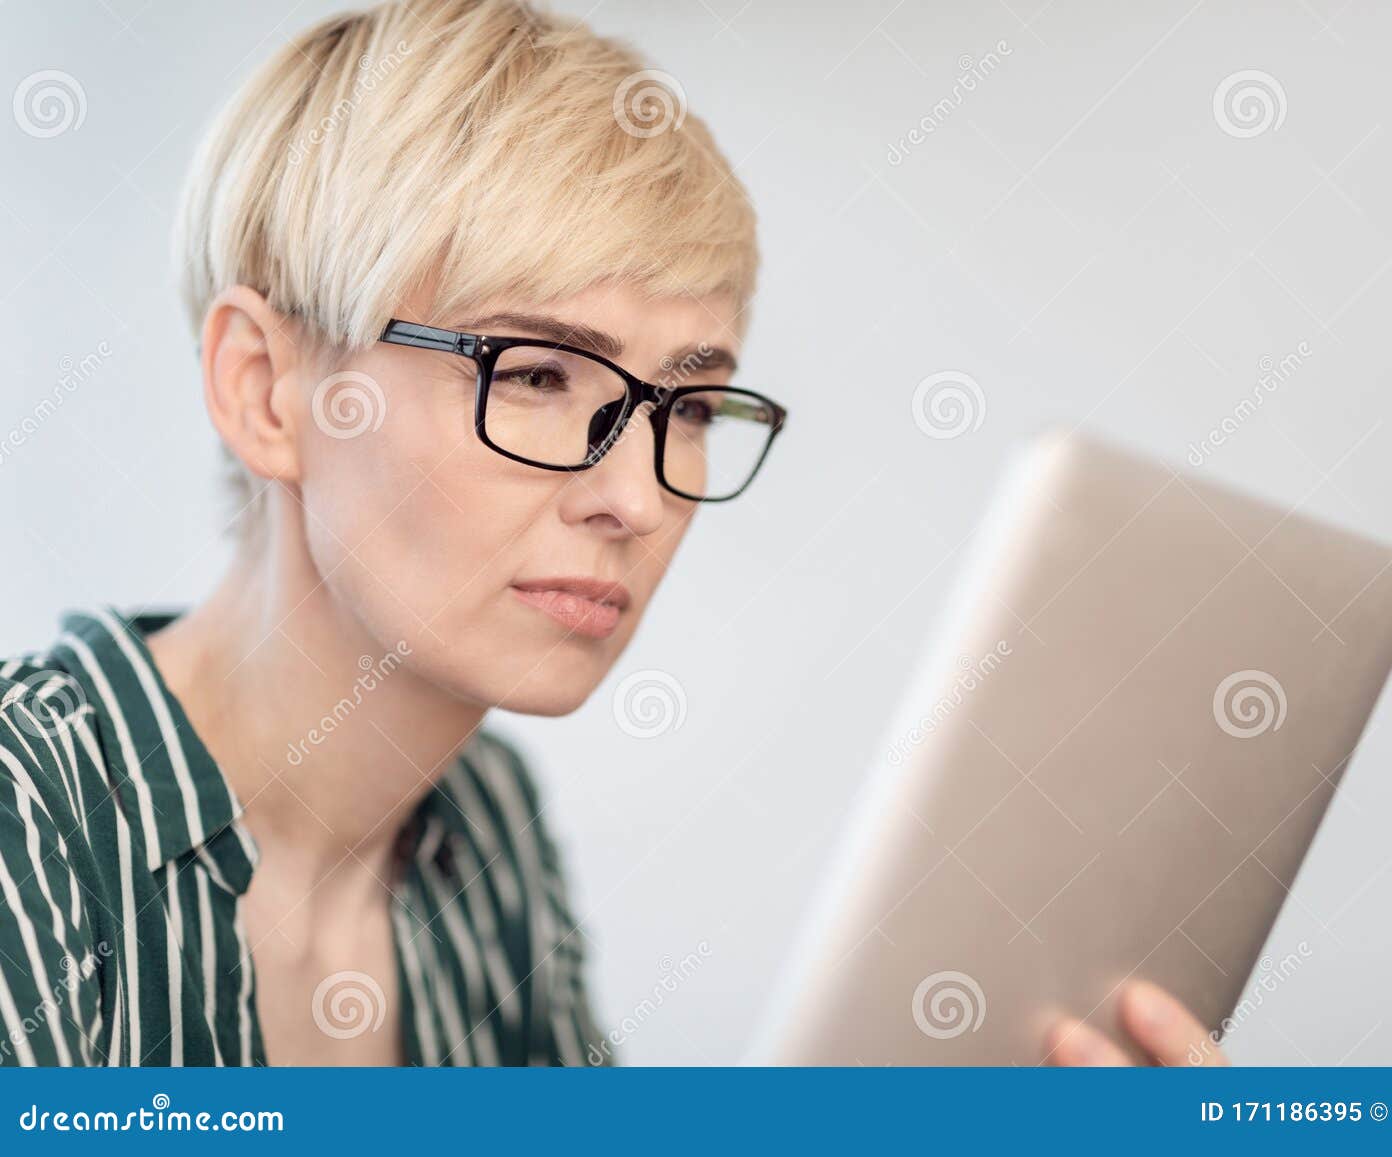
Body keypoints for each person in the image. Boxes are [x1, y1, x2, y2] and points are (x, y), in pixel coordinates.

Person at [0, 0, 1225, 1067]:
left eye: (686, 407)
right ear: (266, 390)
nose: (634, 498)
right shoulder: (30, 821)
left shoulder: (485, 831)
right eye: (535, 376)